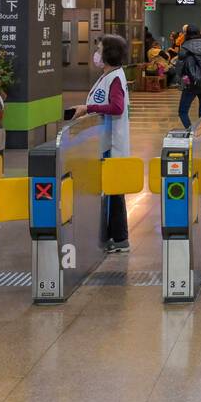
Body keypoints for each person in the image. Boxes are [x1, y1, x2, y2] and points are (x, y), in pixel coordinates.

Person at [84, 34, 131, 253]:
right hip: (105, 141)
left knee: (113, 190)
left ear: (108, 53)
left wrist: (88, 109)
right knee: (112, 190)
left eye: (100, 48)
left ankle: (118, 238)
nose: (96, 52)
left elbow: (117, 108)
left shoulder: (115, 78)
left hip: (112, 144)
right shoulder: (110, 75)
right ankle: (115, 237)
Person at [172, 25, 201, 128]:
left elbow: (180, 65)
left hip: (190, 83)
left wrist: (179, 78)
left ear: (187, 34)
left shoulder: (185, 46)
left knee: (183, 111)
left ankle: (190, 130)